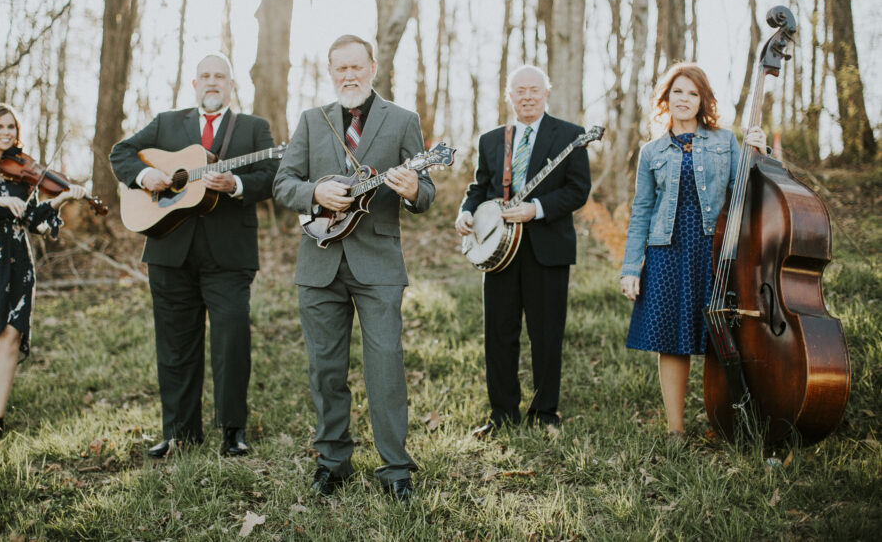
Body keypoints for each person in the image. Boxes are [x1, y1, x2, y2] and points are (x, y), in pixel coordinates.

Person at [273, 34, 436, 503]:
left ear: (373, 68)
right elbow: (283, 183)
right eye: (340, 68)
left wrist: (412, 190)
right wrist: (314, 193)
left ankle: (396, 469)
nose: (349, 75)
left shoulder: (402, 120)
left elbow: (426, 192)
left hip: (378, 263)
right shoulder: (311, 120)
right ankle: (332, 462)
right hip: (319, 260)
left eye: (356, 66)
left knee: (386, 368)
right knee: (325, 369)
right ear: (331, 72)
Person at [110, 53, 277, 458]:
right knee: (175, 345)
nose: (212, 81)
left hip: (230, 255)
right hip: (169, 250)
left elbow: (274, 176)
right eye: (205, 76)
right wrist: (145, 175)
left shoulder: (254, 128)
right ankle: (179, 433)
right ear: (194, 84)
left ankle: (232, 431)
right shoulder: (167, 123)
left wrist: (236, 184)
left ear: (231, 84)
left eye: (220, 76)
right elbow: (121, 153)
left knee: (231, 341)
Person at [620, 62, 767, 436]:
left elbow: (746, 195)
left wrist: (759, 156)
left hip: (714, 251)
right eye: (677, 91)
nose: (684, 99)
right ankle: (676, 430)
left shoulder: (724, 141)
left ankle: (729, 421)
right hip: (666, 254)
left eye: (692, 93)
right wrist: (631, 267)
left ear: (703, 101)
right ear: (666, 98)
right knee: (672, 342)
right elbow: (642, 211)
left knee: (724, 336)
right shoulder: (651, 152)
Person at [456, 64, 592, 438]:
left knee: (546, 334)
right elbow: (478, 188)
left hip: (548, 248)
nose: (527, 96)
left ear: (546, 92)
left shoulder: (571, 136)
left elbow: (578, 190)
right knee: (498, 333)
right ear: (510, 96)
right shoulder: (491, 140)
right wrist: (466, 212)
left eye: (534, 89)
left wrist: (537, 209)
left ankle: (545, 412)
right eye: (520, 91)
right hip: (497, 251)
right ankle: (502, 413)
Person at [0, 104, 88, 440]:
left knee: (10, 338)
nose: (7, 132)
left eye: (11, 127)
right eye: (0, 126)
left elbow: (33, 221)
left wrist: (60, 200)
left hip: (17, 263)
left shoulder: (19, 172)